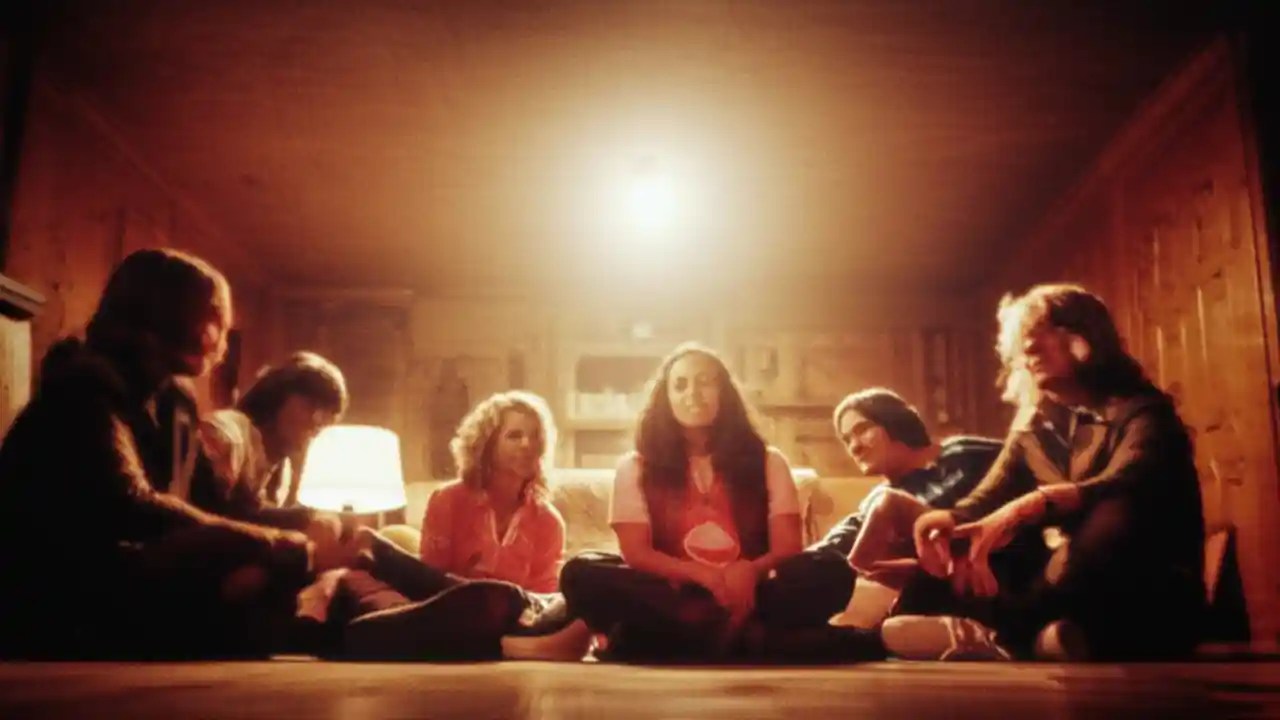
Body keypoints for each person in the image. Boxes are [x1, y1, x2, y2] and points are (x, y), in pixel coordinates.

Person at [0, 248, 313, 659]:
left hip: (126, 572)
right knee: (264, 561)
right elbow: (130, 504)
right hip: (64, 584)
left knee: (285, 559)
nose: (223, 331)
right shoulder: (83, 386)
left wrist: (306, 521)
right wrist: (267, 542)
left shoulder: (174, 402)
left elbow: (218, 503)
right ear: (165, 313)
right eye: (215, 315)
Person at [898, 283, 1205, 661]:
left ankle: (1005, 635)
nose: (1029, 346)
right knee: (967, 546)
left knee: (1114, 512)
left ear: (1086, 336)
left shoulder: (1143, 411)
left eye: (1047, 329)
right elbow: (989, 496)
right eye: (1025, 336)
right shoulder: (1035, 425)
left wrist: (1035, 503)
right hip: (1068, 590)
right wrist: (947, 521)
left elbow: (1130, 480)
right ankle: (1036, 637)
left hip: (1146, 594)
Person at [560, 343, 882, 662]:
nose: (693, 393)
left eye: (705, 382)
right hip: (671, 595)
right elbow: (636, 553)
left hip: (751, 595)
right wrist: (701, 575)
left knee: (831, 568)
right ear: (665, 397)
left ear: (724, 392)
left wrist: (751, 571)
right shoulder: (634, 466)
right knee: (580, 573)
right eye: (680, 385)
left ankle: (669, 643)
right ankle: (751, 640)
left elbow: (787, 546)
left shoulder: (769, 461)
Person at [333, 390, 590, 661]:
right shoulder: (449, 500)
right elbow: (429, 580)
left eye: (535, 436)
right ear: (487, 444)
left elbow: (540, 601)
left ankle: (378, 553)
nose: (528, 444)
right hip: (446, 609)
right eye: (514, 435)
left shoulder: (548, 521)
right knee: (464, 601)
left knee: (501, 597)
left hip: (512, 617)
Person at [196, 351, 348, 564]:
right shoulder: (229, 433)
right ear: (277, 397)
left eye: (328, 415)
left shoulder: (283, 470)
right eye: (310, 406)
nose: (317, 421)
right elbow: (208, 516)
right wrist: (303, 519)